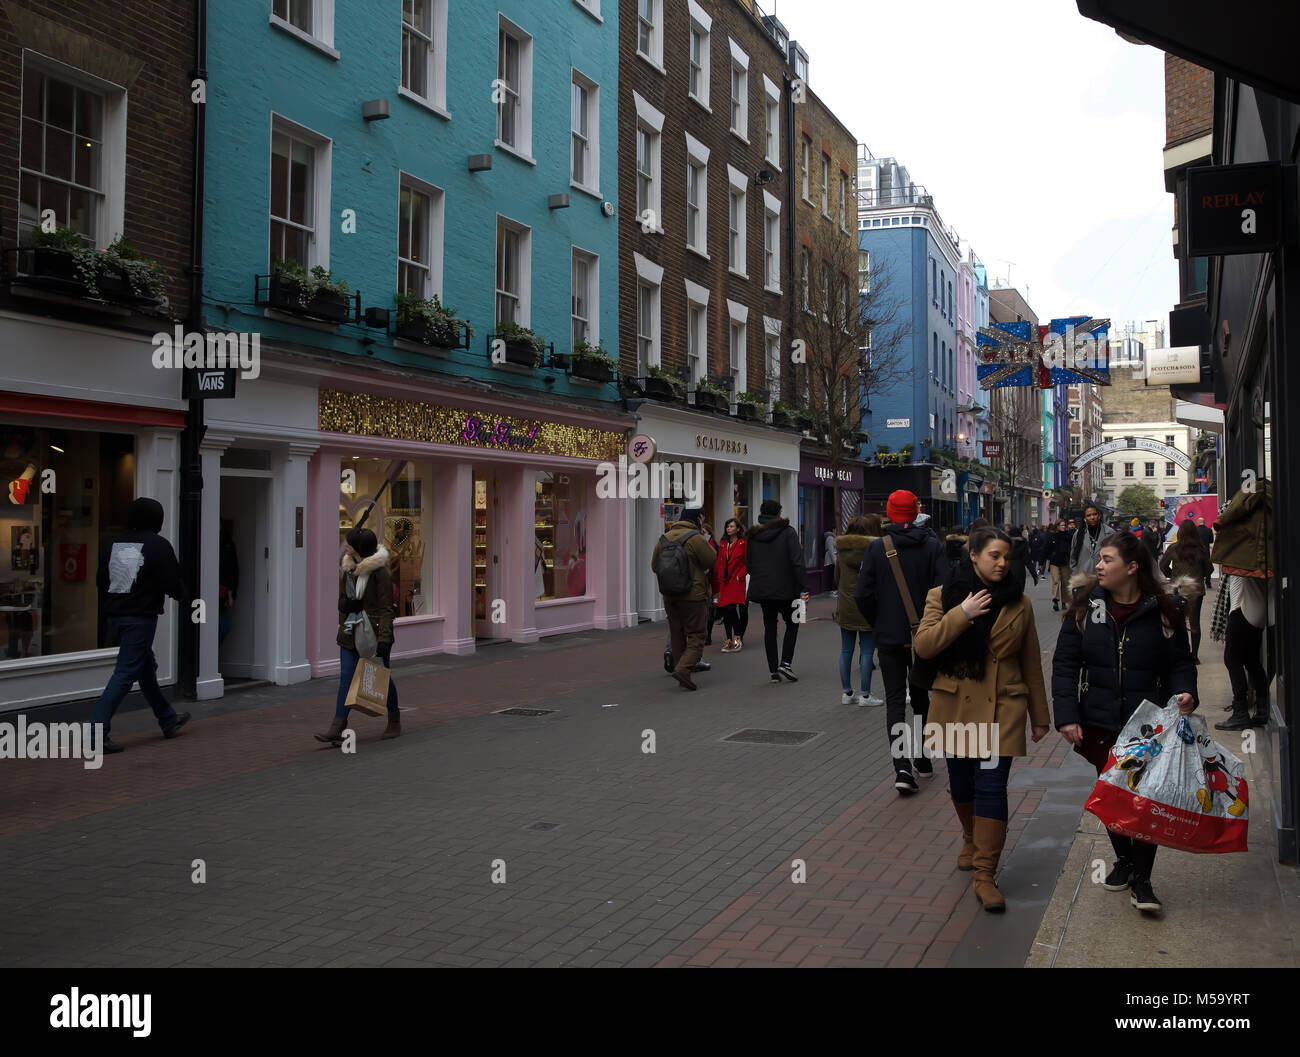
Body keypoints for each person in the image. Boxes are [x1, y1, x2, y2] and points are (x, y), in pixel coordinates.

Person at [1052, 531, 1198, 915]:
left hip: (1148, 725)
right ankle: (1126, 860)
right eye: (1098, 559)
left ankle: (1143, 880)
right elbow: (1065, 664)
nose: (1098, 565)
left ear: (1132, 567)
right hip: (1099, 720)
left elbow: (1181, 662)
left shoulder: (1163, 610)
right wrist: (1066, 716)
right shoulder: (1086, 607)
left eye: (1107, 559)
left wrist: (1185, 692)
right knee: (1114, 796)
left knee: (1144, 798)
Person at [914, 526, 1049, 912]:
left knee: (991, 785)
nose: (1003, 563)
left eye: (1007, 557)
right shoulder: (943, 596)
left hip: (1002, 706)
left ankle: (985, 874)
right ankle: (970, 837)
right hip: (955, 705)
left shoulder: (1019, 603)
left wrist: (1040, 716)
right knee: (961, 784)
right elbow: (924, 646)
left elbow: (1030, 662)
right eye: (994, 556)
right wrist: (963, 613)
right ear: (973, 555)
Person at [854, 489, 949, 793]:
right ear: (916, 512)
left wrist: (879, 623)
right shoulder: (933, 546)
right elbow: (944, 592)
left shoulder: (876, 549)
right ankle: (922, 757)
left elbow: (862, 595)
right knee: (921, 698)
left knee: (895, 701)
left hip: (890, 636)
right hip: (925, 635)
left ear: (890, 513)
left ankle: (902, 769)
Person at [89, 497, 191, 754]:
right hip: (140, 619)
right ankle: (96, 732)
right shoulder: (158, 545)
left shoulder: (112, 543)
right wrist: (181, 594)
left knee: (145, 669)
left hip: (114, 616)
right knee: (124, 674)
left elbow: (101, 579)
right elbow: (171, 581)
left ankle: (167, 719)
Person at [317, 527, 400, 743]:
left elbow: (386, 608)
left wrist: (383, 639)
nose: (345, 545)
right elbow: (342, 600)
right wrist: (345, 604)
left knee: (381, 677)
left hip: (373, 633)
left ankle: (394, 719)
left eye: (349, 543)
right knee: (346, 677)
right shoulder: (348, 569)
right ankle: (337, 726)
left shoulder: (380, 573)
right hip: (349, 632)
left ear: (359, 548)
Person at [651, 508, 716, 691]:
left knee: (677, 633)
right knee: (696, 635)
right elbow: (711, 560)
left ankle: (683, 674)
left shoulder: (663, 538)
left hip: (669, 595)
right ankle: (683, 668)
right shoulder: (695, 538)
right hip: (692, 594)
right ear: (696, 520)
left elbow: (654, 566)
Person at [746, 499, 809, 683]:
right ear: (779, 513)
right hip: (788, 589)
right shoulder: (788, 532)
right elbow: (797, 561)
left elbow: (748, 564)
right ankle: (786, 663)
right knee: (794, 622)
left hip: (764, 590)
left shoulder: (753, 535)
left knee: (770, 626)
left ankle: (773, 670)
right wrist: (804, 586)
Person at [834, 514, 884, 707]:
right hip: (868, 604)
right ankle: (865, 695)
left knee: (846, 650)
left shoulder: (842, 551)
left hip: (846, 604)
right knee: (867, 651)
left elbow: (836, 578)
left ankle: (847, 693)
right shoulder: (875, 550)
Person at [1216, 573, 1273, 730]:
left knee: (1232, 659)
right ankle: (1262, 708)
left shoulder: (1242, 559)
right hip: (1257, 610)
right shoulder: (1256, 558)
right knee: (1251, 660)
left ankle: (1240, 712)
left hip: (1242, 609)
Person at [1160, 520, 1212, 663]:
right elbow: (1209, 570)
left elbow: (1162, 566)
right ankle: (1194, 656)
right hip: (1196, 589)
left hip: (1178, 589)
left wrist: (1173, 575)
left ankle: (1182, 652)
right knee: (1195, 623)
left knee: (1179, 621)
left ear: (1180, 532)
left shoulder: (1173, 548)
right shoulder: (1201, 549)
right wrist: (1198, 574)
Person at [714, 517, 749, 653]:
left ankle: (737, 637)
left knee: (733, 608)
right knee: (726, 610)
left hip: (736, 579)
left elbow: (748, 562)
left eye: (732, 526)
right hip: (724, 581)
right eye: (727, 526)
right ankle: (729, 638)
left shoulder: (743, 543)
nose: (729, 529)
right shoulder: (723, 543)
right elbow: (719, 561)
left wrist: (740, 575)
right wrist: (718, 577)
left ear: (738, 529)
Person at [218, 524, 238, 646]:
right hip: (201, 599)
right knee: (200, 626)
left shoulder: (228, 545)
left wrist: (232, 594)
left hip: (221, 596)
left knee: (223, 628)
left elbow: (234, 571)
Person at [1046, 519, 1071, 610]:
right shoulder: (1052, 536)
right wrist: (1042, 562)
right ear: (1057, 526)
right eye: (1062, 525)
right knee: (1056, 580)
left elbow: (1072, 548)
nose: (1064, 527)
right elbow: (1046, 548)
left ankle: (1064, 602)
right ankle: (1055, 600)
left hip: (1065, 562)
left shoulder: (1068, 536)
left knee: (1065, 582)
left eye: (1064, 525)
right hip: (1054, 562)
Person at [1196, 517, 1215, 590]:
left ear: (1198, 522)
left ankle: (1199, 583)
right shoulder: (1209, 530)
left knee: (1198, 566)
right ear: (1204, 522)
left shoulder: (1195, 530)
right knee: (1207, 566)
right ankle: (1208, 583)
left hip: (1197, 551)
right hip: (1206, 551)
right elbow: (1211, 541)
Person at [823, 528, 838, 593]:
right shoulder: (830, 538)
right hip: (830, 560)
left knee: (832, 574)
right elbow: (831, 550)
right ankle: (832, 590)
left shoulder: (832, 537)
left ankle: (833, 589)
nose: (836, 531)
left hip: (832, 559)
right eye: (836, 530)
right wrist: (835, 561)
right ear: (833, 530)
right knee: (832, 574)